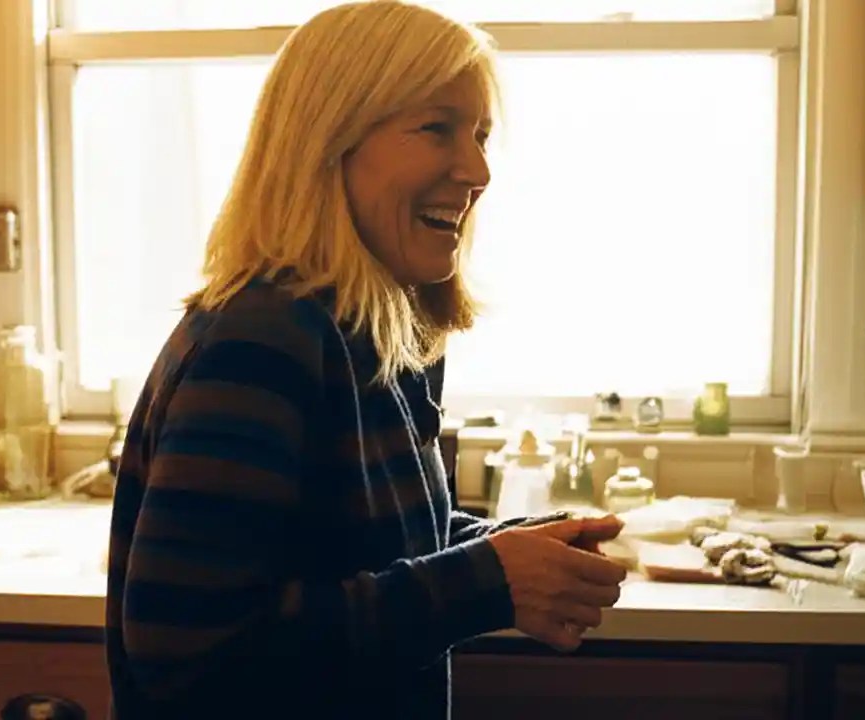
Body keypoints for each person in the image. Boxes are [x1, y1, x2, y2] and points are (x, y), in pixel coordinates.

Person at [105, 2, 628, 718]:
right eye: (435, 128)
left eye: (479, 135)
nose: (477, 169)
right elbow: (190, 656)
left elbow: (362, 548)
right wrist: (485, 582)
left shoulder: (372, 333)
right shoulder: (259, 341)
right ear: (329, 142)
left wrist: (508, 551)